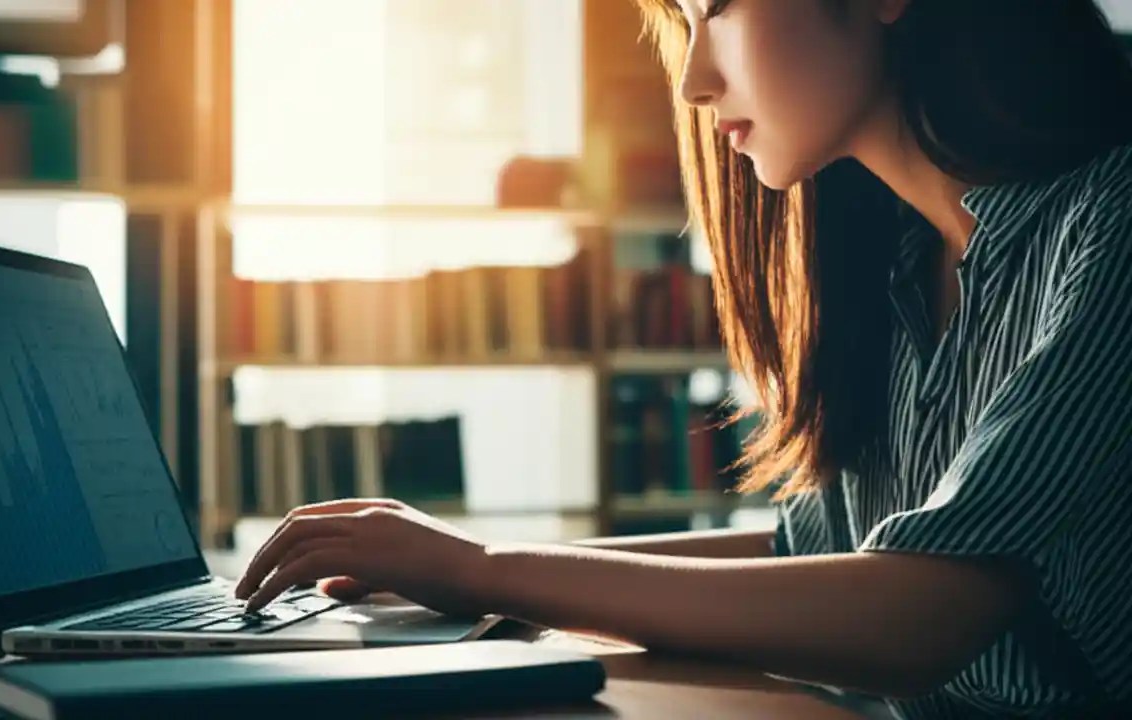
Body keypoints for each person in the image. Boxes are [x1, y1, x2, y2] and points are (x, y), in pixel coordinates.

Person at [235, 1, 1132, 716]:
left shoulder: (1110, 222)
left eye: (721, 8)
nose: (697, 79)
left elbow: (922, 613)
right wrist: (454, 570)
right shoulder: (892, 268)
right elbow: (804, 564)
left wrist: (482, 569)